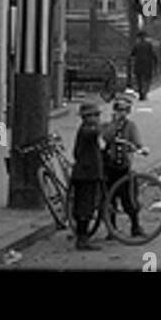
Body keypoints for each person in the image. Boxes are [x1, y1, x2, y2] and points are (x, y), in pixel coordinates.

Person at [101, 97, 148, 239]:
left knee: (129, 198)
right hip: (109, 168)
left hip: (124, 168)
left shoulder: (130, 126)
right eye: (118, 110)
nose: (121, 113)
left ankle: (135, 226)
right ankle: (112, 228)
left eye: (124, 110)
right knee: (109, 198)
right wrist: (114, 123)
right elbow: (106, 137)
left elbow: (137, 141)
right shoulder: (108, 125)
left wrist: (141, 148)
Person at [70, 101, 104, 251]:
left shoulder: (86, 130)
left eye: (97, 115)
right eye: (94, 115)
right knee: (85, 207)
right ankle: (82, 239)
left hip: (86, 173)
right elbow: (96, 133)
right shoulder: (87, 131)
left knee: (84, 205)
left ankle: (82, 235)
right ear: (86, 117)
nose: (97, 118)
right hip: (86, 175)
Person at [130, 32, 158, 100]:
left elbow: (132, 54)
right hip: (147, 64)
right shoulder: (149, 45)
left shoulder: (136, 45)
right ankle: (144, 92)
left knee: (139, 79)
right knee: (147, 79)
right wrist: (155, 61)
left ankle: (141, 93)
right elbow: (153, 53)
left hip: (138, 64)